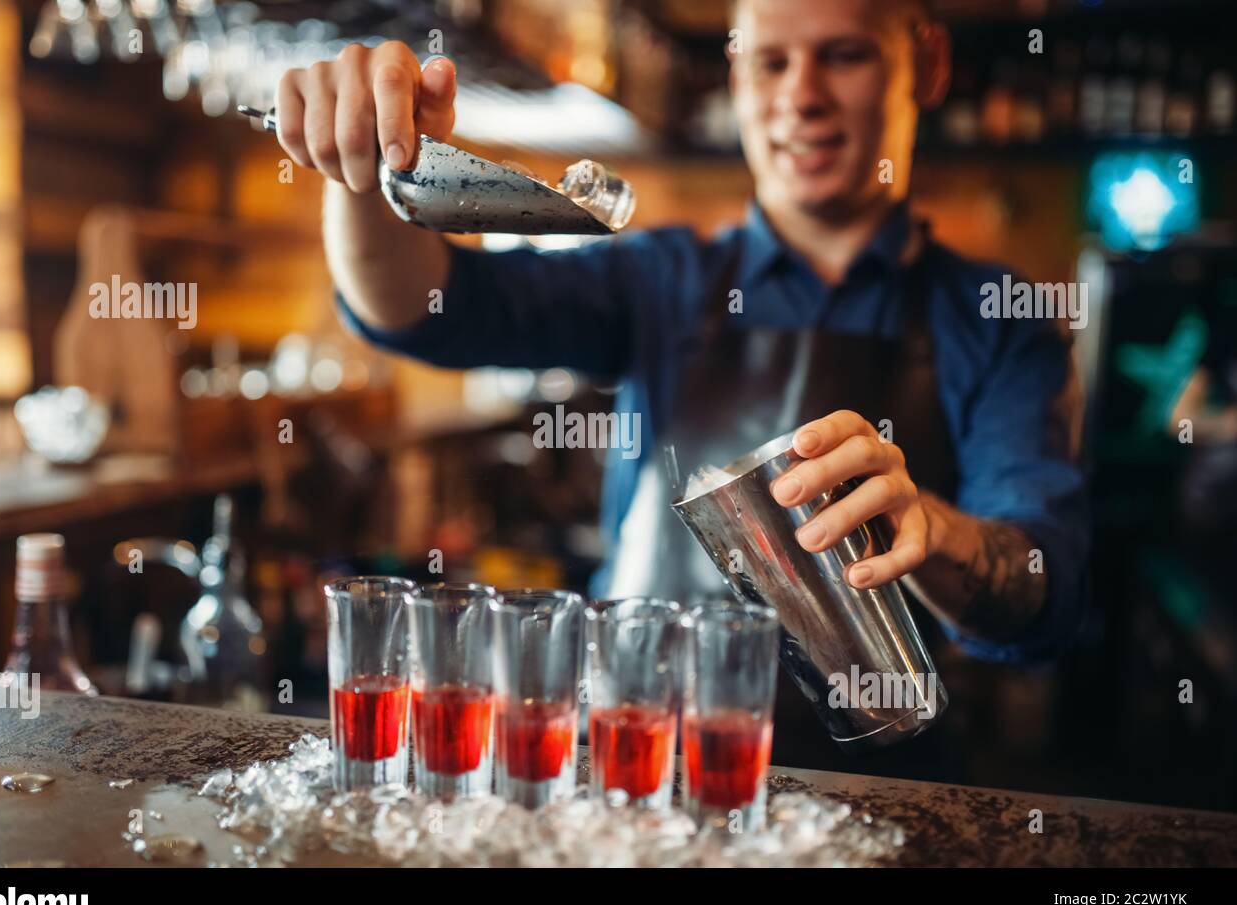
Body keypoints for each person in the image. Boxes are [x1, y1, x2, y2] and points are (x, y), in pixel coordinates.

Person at [274, 0, 1090, 763]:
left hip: (873, 791)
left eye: (843, 56)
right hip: (633, 768)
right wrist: (367, 166)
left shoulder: (1001, 321)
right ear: (735, 80)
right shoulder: (661, 278)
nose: (800, 97)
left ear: (927, 63)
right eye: (770, 63)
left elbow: (1043, 599)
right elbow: (425, 308)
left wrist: (929, 531)